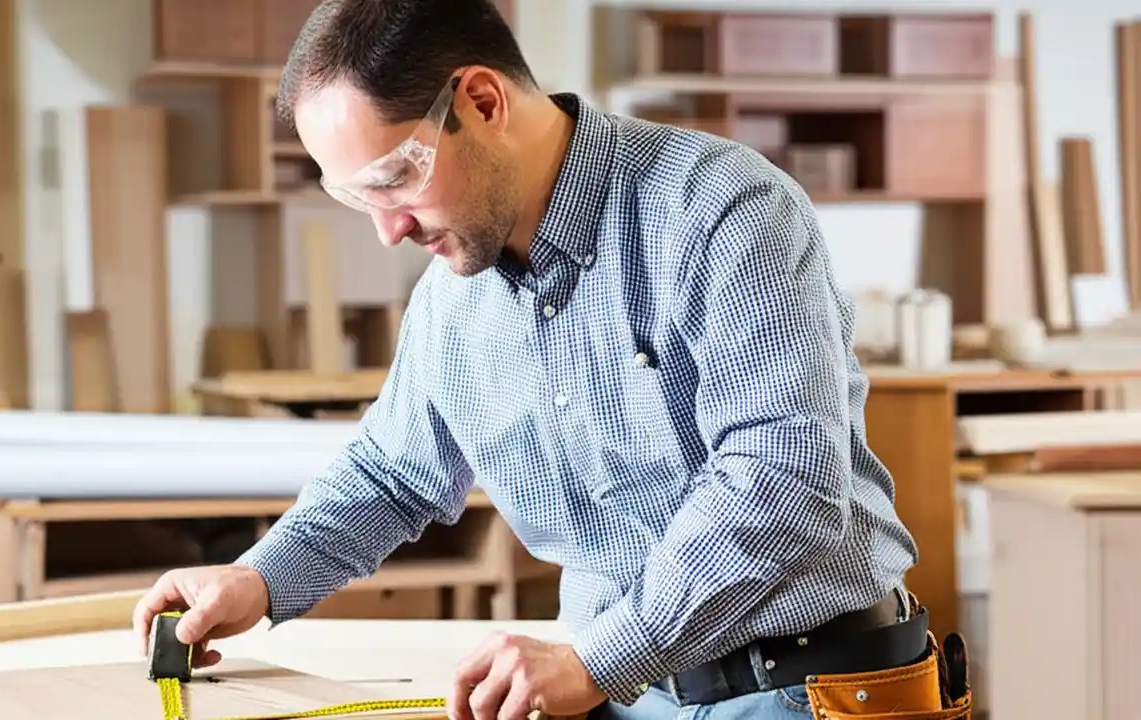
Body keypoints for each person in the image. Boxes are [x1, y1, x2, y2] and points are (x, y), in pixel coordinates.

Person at [133, 1, 927, 718]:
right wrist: (260, 578)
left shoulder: (722, 210)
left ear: (482, 101)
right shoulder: (455, 296)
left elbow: (783, 477)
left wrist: (597, 658)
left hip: (804, 687)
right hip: (619, 690)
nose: (388, 231)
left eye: (395, 179)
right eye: (358, 198)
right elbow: (391, 473)